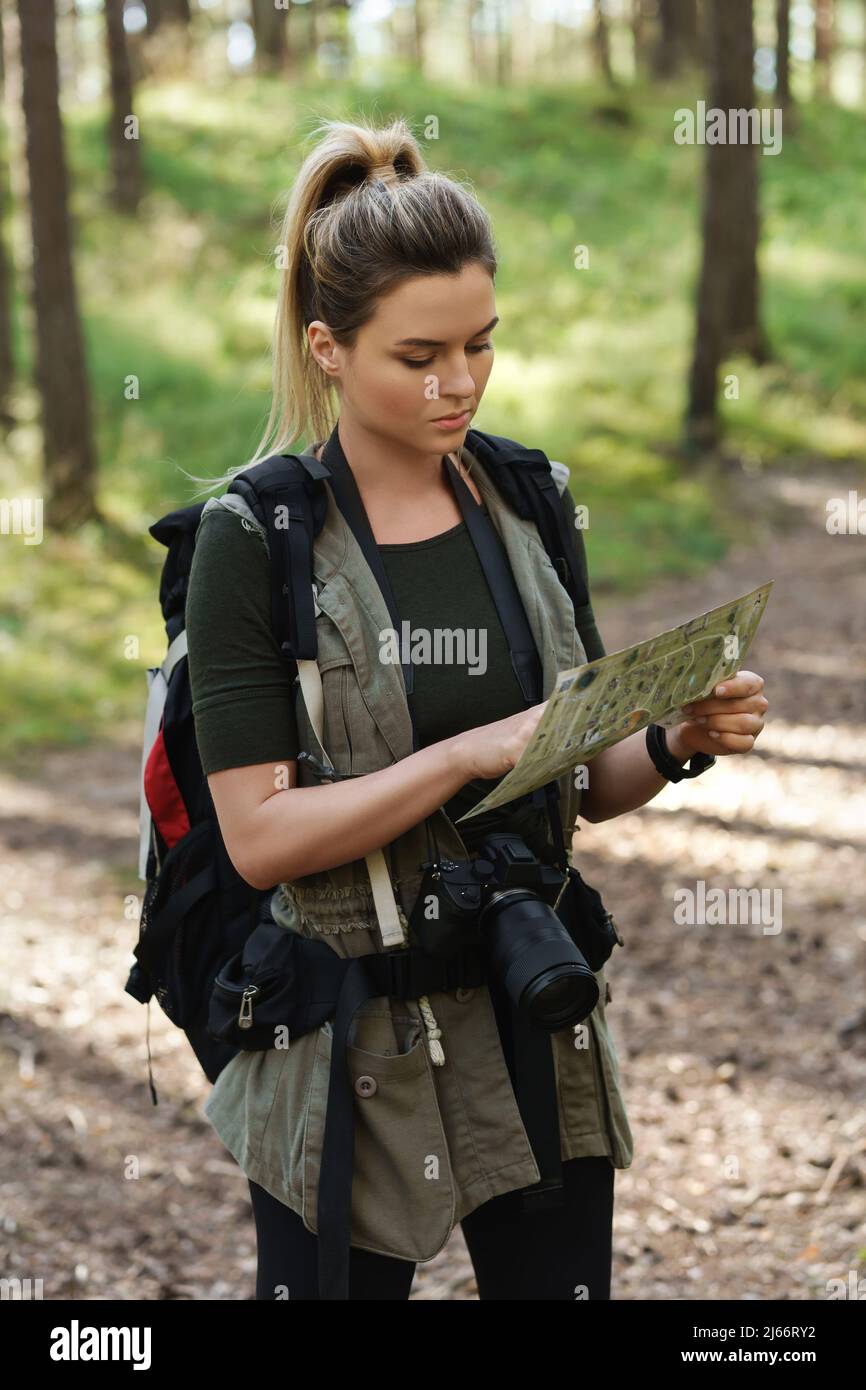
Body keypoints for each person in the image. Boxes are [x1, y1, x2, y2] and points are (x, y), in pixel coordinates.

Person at [183, 116, 769, 1300]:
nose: (457, 382)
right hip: (341, 1050)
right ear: (327, 347)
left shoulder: (529, 499)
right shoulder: (255, 539)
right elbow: (258, 838)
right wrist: (458, 755)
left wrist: (671, 740)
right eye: (418, 356)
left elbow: (580, 780)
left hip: (529, 1008)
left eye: (480, 346)